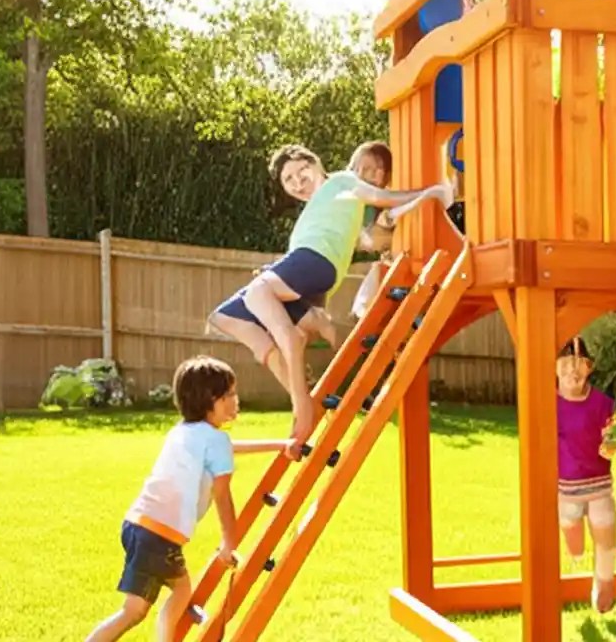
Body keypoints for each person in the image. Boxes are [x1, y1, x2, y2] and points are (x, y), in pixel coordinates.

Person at [208, 144, 453, 459]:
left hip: (316, 262)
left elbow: (383, 199)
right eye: (288, 181)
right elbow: (367, 238)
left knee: (258, 294)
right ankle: (304, 382)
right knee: (225, 316)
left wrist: (431, 192)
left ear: (316, 162)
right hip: (304, 270)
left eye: (301, 171)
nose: (297, 182)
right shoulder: (319, 208)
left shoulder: (340, 182)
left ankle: (298, 377)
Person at [85, 356, 285, 642]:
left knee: (133, 611)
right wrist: (231, 542)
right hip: (161, 536)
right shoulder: (214, 441)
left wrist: (279, 445)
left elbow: (227, 448)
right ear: (209, 400)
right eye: (228, 394)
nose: (235, 399)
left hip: (137, 525)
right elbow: (222, 495)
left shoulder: (183, 432)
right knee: (180, 591)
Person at [556, 337, 616, 613]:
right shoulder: (548, 402)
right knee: (571, 526)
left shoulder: (601, 403)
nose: (573, 373)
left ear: (589, 368)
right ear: (554, 368)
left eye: (579, 366)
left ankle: (605, 583)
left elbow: (608, 435)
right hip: (567, 486)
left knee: (605, 522)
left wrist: (609, 443)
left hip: (599, 484)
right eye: (565, 365)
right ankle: (577, 553)